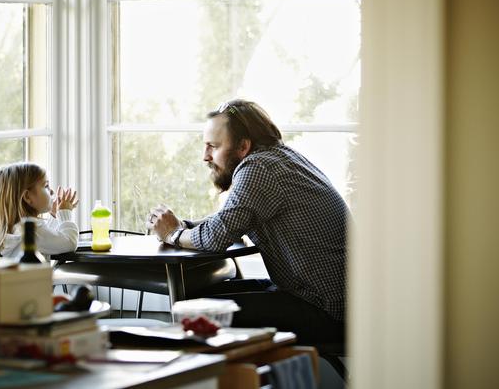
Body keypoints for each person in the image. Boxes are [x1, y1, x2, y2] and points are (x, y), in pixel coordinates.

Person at [146, 99, 349, 344]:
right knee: (199, 300)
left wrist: (173, 234)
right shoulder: (281, 158)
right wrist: (186, 225)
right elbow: (232, 218)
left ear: (243, 146)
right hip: (330, 300)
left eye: (213, 146)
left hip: (327, 310)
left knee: (197, 312)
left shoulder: (258, 167)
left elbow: (215, 237)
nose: (205, 156)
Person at [0, 162, 80, 261]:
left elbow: (49, 241)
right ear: (27, 197)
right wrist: (65, 214)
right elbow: (70, 243)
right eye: (46, 186)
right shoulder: (33, 231)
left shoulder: (13, 230)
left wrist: (54, 216)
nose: (52, 191)